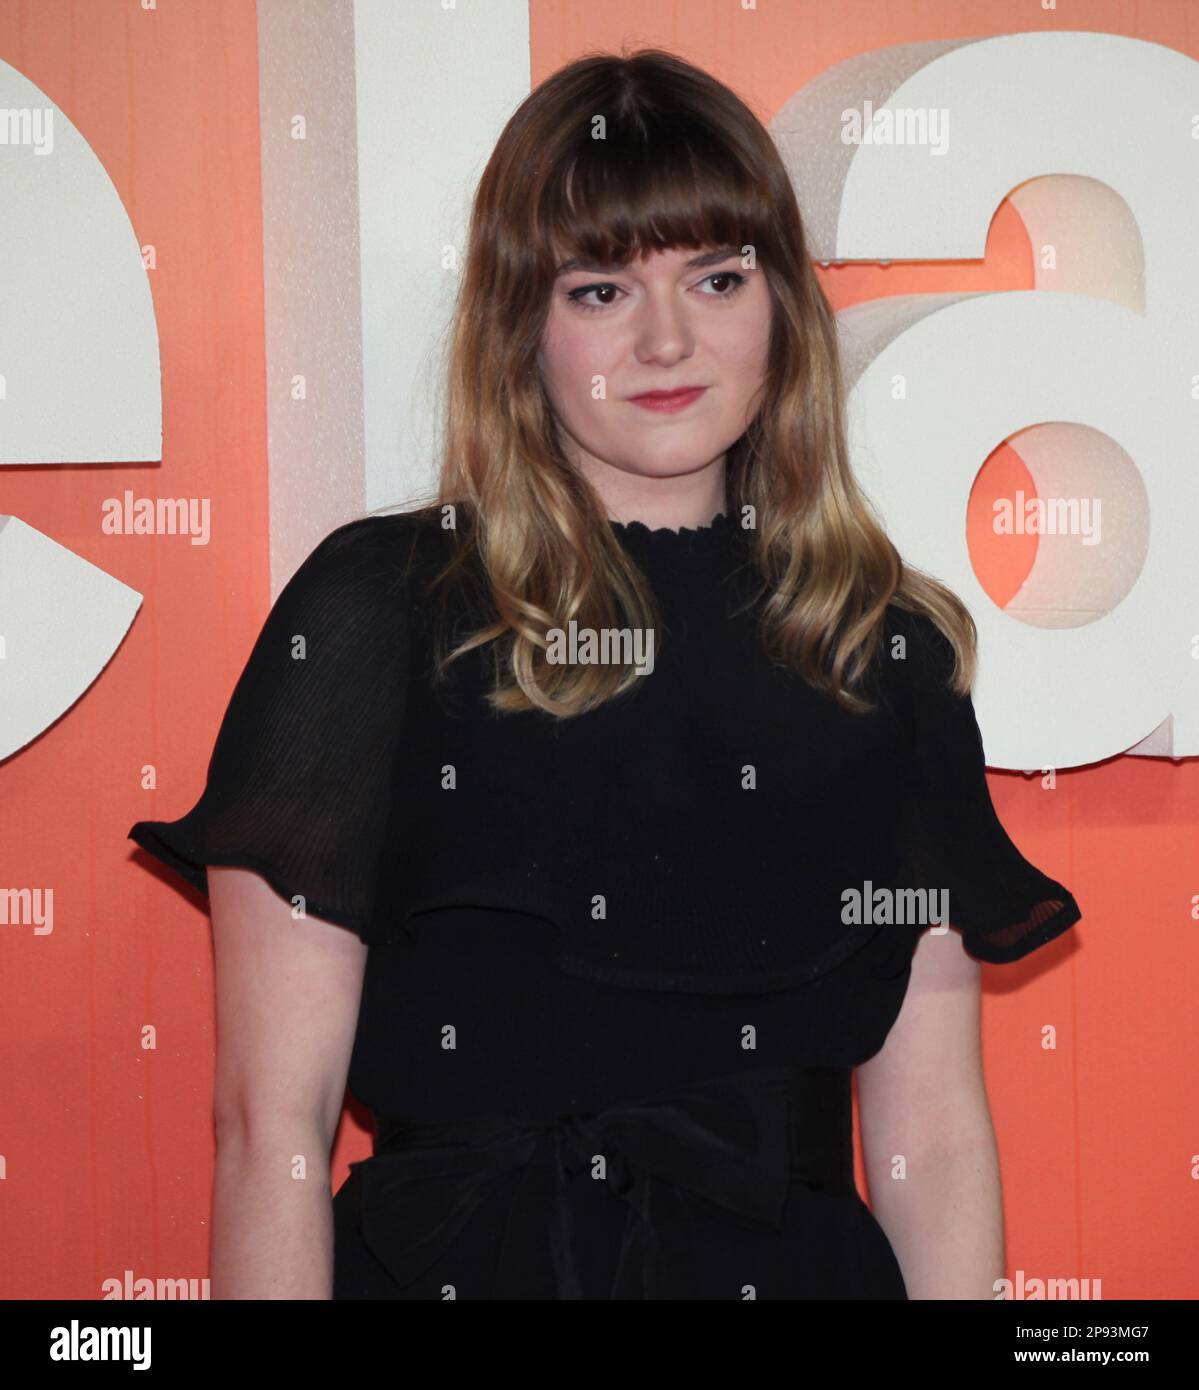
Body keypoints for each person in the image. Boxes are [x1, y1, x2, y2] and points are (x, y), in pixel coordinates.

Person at [128, 47, 1081, 1300]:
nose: (666, 338)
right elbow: (271, 1132)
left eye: (717, 275)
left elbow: (934, 1146)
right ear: (518, 323)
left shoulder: (880, 653)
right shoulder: (380, 616)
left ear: (783, 304)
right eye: (597, 291)